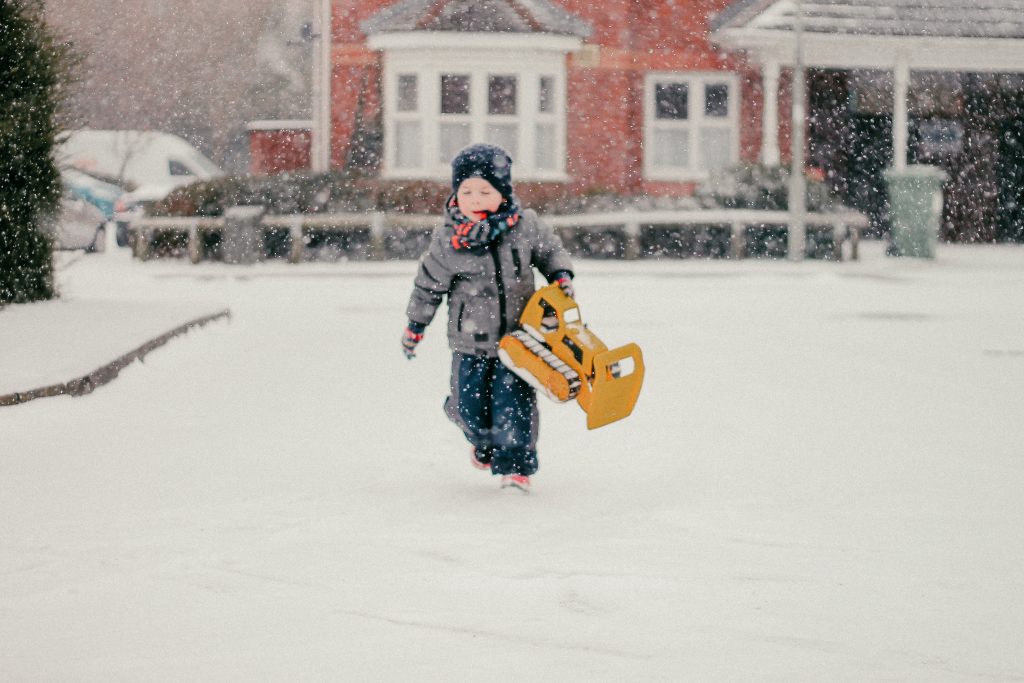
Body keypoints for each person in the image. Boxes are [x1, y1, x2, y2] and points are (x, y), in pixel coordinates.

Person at [401, 143, 575, 492]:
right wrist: (416, 326)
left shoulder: (525, 227)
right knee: (469, 408)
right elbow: (427, 286)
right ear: (455, 194)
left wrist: (560, 275)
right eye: (466, 191)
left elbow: (550, 249)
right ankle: (483, 442)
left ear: (503, 193)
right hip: (470, 342)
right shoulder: (448, 240)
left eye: (485, 190)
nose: (475, 198)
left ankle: (516, 469)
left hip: (519, 340)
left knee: (515, 408)